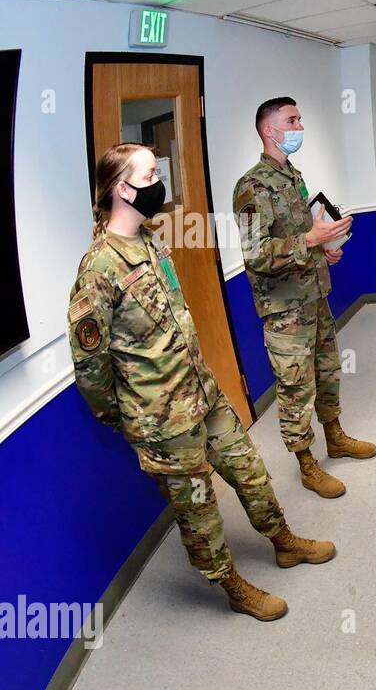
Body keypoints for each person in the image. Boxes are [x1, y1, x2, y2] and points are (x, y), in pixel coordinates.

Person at [69, 144, 335, 621]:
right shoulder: (98, 268)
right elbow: (90, 369)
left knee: (250, 472)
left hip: (205, 395)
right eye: (150, 175)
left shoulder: (151, 241)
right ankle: (231, 584)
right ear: (121, 189)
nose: (158, 183)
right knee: (200, 508)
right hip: (164, 422)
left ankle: (283, 541)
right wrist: (134, 417)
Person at [233, 97, 376, 500]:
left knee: (328, 372)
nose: (299, 126)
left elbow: (300, 233)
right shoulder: (251, 186)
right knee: (296, 387)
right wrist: (311, 239)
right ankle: (307, 465)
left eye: (299, 118)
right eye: (291, 120)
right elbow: (257, 254)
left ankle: (335, 436)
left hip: (315, 295)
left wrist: (324, 246)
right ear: (269, 131)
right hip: (284, 310)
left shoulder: (292, 176)